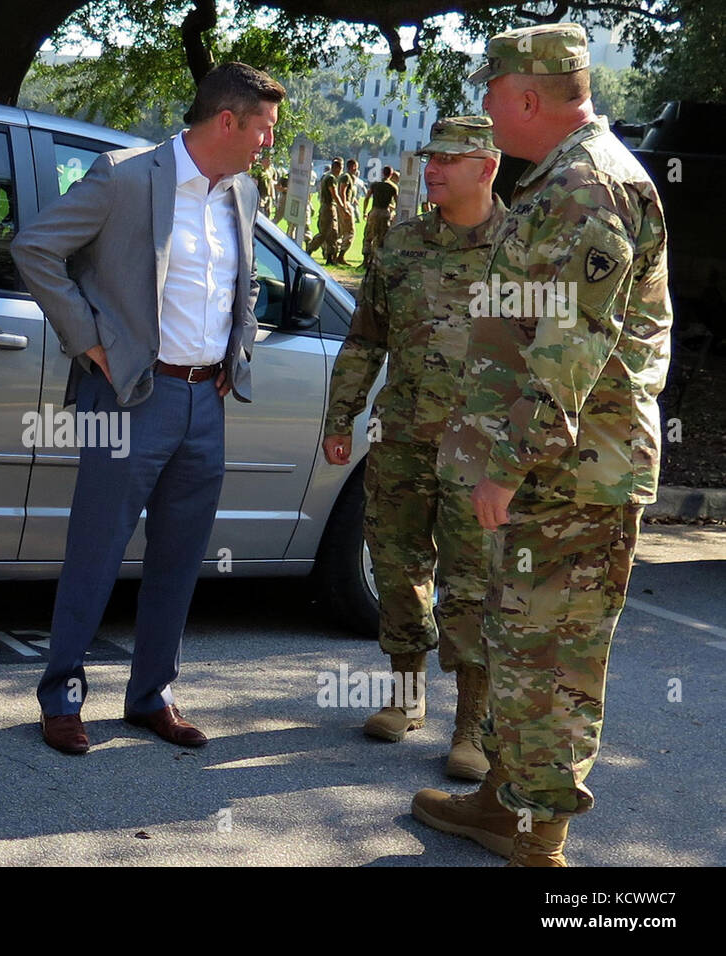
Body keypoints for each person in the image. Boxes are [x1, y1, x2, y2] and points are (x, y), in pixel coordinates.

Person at [412, 23, 673, 866]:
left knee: (554, 656)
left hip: (572, 473)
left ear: (527, 97)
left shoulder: (586, 186)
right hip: (556, 471)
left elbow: (569, 349)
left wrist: (506, 464)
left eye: (492, 92)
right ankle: (505, 801)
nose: (486, 109)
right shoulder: (563, 176)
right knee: (521, 643)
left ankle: (536, 838)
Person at [11, 62, 285, 755]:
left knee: (179, 556)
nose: (268, 143)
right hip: (132, 395)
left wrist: (236, 353)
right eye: (264, 129)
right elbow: (36, 248)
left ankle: (152, 695)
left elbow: (243, 284)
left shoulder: (243, 191)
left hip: (205, 400)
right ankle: (62, 698)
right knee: (96, 550)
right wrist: (90, 342)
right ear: (228, 121)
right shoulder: (125, 177)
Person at [322, 117, 506, 781]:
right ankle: (405, 696)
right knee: (398, 569)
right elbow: (366, 339)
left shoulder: (522, 250)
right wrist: (341, 415)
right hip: (400, 438)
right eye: (430, 158)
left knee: (473, 584)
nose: (432, 169)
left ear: (487, 167)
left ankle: (473, 725)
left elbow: (550, 358)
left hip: (482, 452)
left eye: (449, 160)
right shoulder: (400, 244)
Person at [306, 157, 344, 264]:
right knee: (324, 233)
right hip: (328, 208)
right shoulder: (331, 178)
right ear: (337, 168)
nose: (341, 171)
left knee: (333, 234)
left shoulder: (327, 176)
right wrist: (342, 206)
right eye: (341, 168)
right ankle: (309, 250)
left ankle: (330, 257)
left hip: (328, 207)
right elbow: (334, 193)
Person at [361, 164, 398, 264]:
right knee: (381, 237)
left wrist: (364, 211)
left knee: (368, 236)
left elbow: (367, 198)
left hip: (374, 211)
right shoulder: (393, 187)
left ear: (382, 173)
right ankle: (376, 260)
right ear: (391, 174)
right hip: (385, 213)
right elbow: (397, 202)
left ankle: (365, 260)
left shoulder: (375, 185)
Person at [335, 158, 362, 263]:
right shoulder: (346, 177)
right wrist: (344, 208)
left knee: (340, 231)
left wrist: (354, 200)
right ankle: (340, 255)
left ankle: (334, 254)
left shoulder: (348, 177)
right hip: (345, 205)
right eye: (356, 167)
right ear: (353, 167)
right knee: (350, 232)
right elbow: (342, 192)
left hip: (345, 204)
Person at [251, 153, 275, 218]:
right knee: (260, 216)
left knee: (268, 216)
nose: (269, 162)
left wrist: (272, 196)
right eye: (267, 160)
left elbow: (271, 184)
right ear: (263, 161)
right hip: (260, 197)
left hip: (268, 197)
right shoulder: (258, 171)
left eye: (270, 160)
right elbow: (254, 184)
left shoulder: (271, 171)